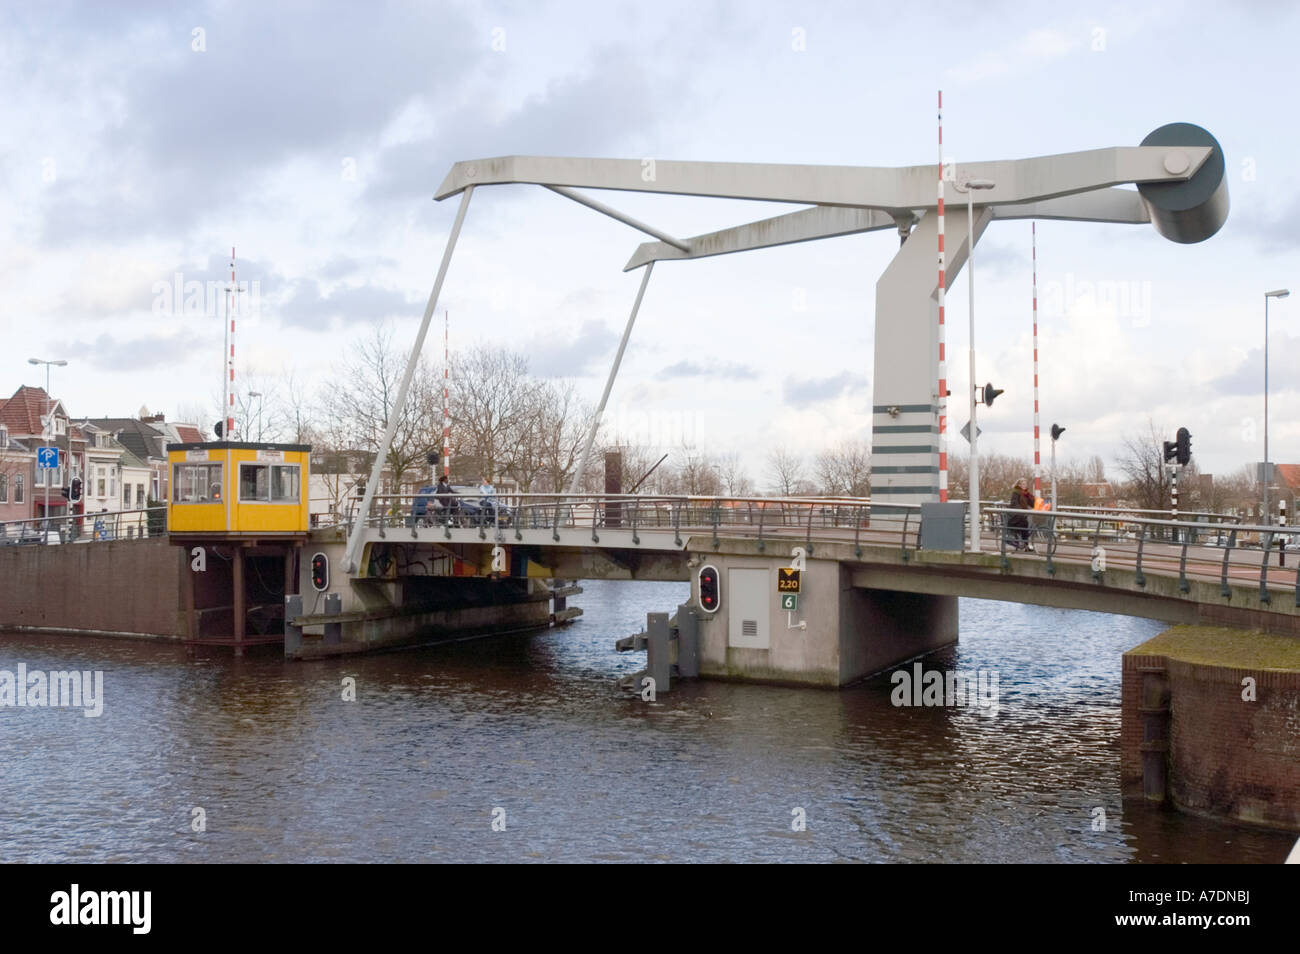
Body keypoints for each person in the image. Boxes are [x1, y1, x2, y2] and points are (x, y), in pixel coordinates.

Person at [1008, 478, 1034, 551]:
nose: (1025, 485)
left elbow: (1032, 502)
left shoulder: (1026, 493)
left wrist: (1039, 505)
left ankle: (1025, 544)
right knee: (1024, 525)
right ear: (1019, 485)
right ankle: (1026, 544)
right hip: (1016, 515)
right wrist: (1021, 510)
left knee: (1025, 526)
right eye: (1023, 484)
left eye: (1025, 484)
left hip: (1022, 515)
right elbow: (1014, 503)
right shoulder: (1016, 492)